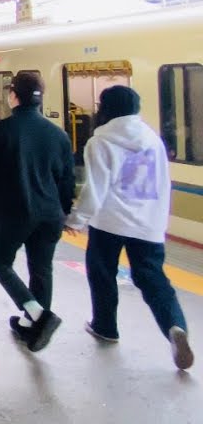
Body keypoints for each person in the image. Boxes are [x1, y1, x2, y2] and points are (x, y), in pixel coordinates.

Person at [65, 85, 193, 370]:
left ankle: (105, 327)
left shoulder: (101, 140)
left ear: (106, 109)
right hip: (148, 223)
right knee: (153, 279)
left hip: (109, 222)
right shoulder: (153, 139)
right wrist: (159, 221)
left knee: (102, 274)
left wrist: (75, 220)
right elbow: (163, 183)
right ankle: (174, 326)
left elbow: (95, 189)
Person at [0, 70, 75, 353]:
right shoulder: (59, 134)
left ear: (13, 95)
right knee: (42, 269)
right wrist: (65, 213)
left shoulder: (0, 130)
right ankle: (33, 328)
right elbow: (67, 180)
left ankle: (39, 316)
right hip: (50, 213)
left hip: (13, 211)